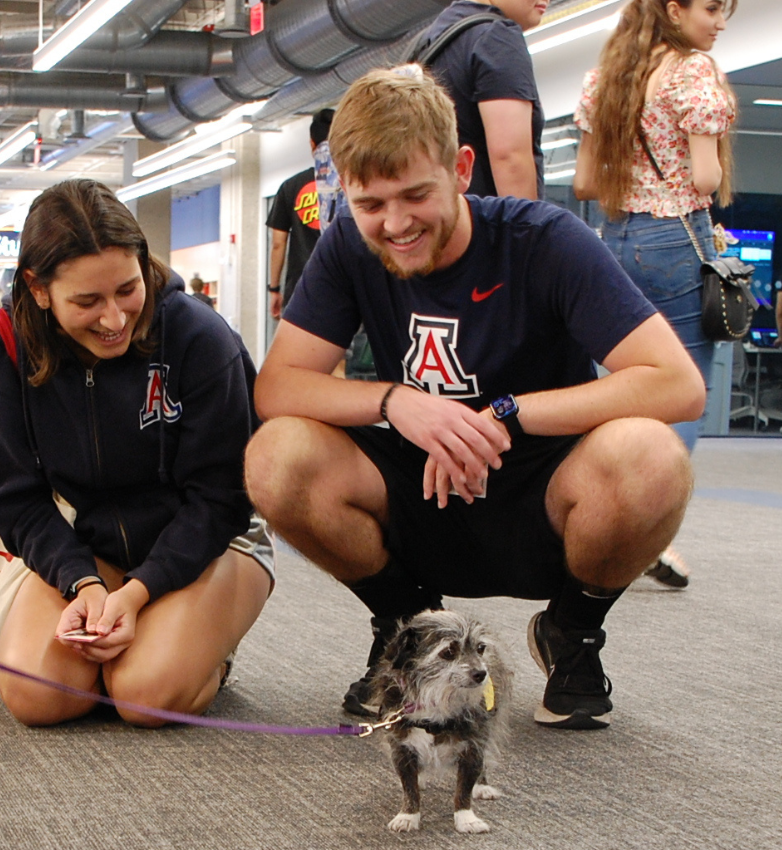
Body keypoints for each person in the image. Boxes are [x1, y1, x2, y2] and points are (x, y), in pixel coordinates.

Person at [243, 67, 704, 731]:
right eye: (371, 204)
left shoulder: (544, 240)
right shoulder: (347, 243)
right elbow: (278, 386)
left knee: (653, 456)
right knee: (276, 454)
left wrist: (508, 415)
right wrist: (397, 402)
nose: (395, 223)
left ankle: (571, 631)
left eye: (415, 195)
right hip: (421, 492)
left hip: (543, 494)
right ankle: (407, 628)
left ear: (461, 169)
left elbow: (676, 384)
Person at [0, 179, 273, 728]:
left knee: (145, 695)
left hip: (211, 541)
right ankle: (144, 643)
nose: (114, 319)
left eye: (128, 289)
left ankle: (201, 653)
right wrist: (80, 582)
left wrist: (139, 592)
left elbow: (221, 498)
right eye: (87, 302)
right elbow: (12, 498)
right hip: (85, 539)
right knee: (38, 697)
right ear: (37, 288)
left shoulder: (199, 336)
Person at [573, 0, 737, 586]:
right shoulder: (692, 72)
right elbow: (705, 178)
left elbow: (584, 182)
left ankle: (594, 510)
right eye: (712, 8)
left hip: (613, 240)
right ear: (673, 8)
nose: (720, 22)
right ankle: (647, 531)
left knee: (616, 387)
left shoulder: (604, 80)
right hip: (676, 240)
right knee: (684, 388)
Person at [416, 0, 549, 200]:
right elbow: (509, 157)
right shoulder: (497, 37)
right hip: (483, 213)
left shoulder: (427, 42)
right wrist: (527, 219)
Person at [266, 109, 332, 319]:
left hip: (301, 287)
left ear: (312, 144)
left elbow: (278, 244)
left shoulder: (290, 186)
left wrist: (274, 289)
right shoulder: (353, 183)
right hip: (342, 284)